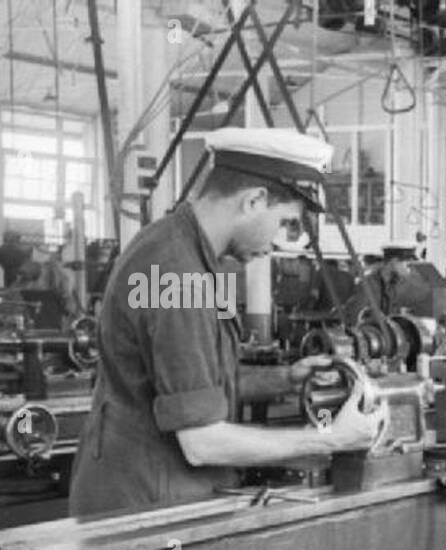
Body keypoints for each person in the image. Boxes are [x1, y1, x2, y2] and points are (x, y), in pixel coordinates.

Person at [69, 128, 383, 517]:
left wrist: (285, 379)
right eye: (286, 222)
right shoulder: (177, 274)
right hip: (148, 506)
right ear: (254, 200)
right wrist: (331, 439)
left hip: (161, 491)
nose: (280, 242)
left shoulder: (187, 253)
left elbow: (200, 384)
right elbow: (203, 442)